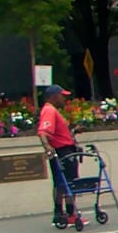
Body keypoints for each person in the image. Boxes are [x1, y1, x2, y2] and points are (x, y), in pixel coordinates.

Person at [37, 85, 81, 225]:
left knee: (61, 182)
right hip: (63, 152)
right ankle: (70, 214)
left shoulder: (51, 110)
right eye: (62, 96)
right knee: (69, 182)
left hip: (63, 150)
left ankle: (60, 213)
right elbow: (43, 132)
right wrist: (47, 146)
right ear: (54, 96)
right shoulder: (49, 110)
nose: (64, 99)